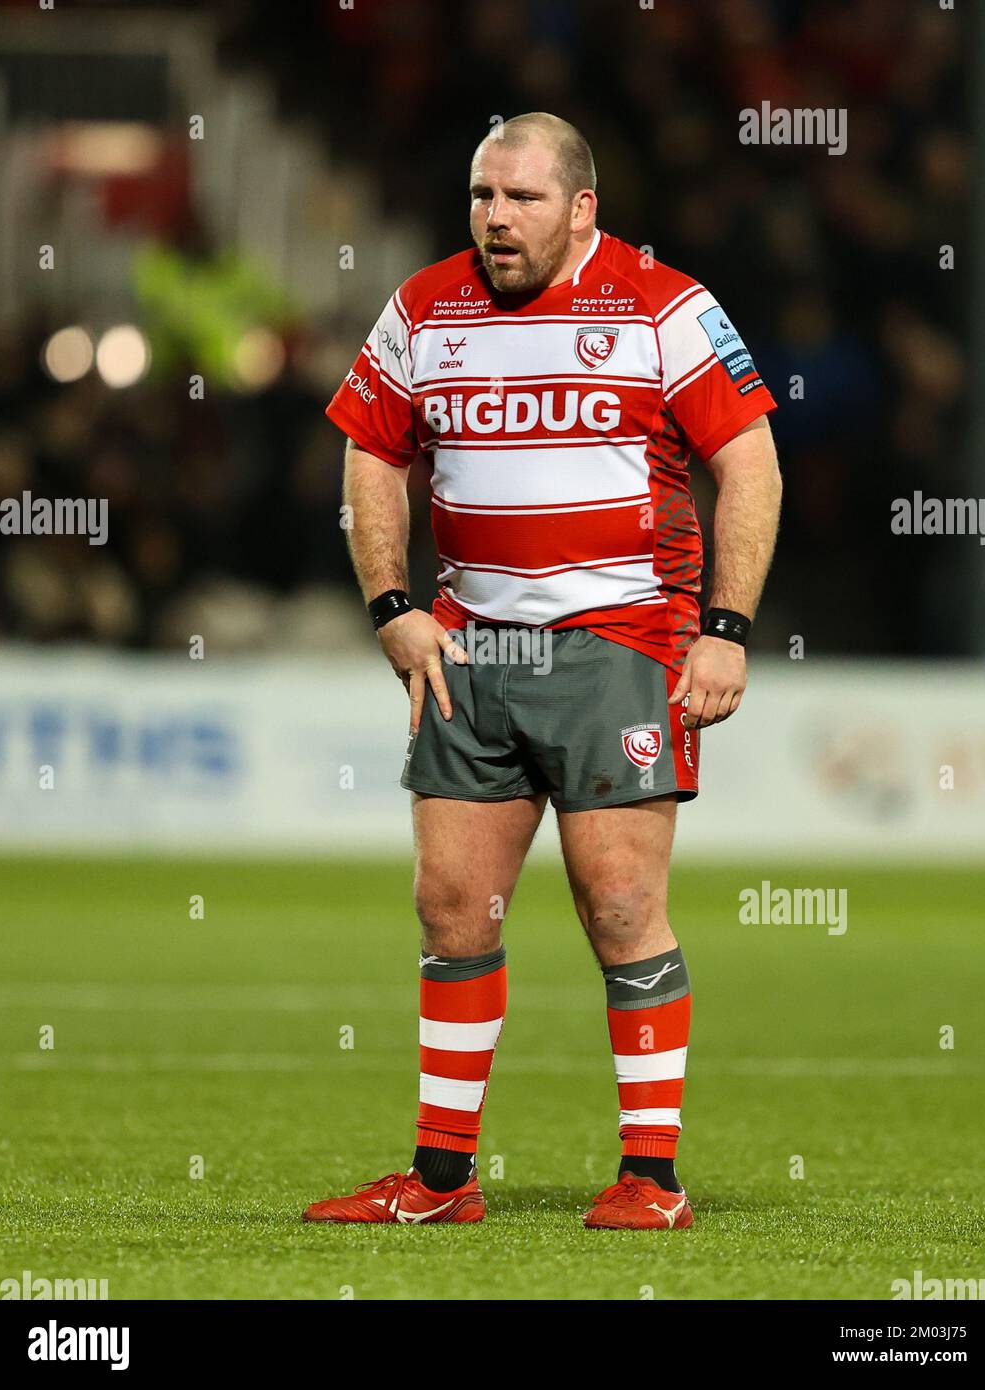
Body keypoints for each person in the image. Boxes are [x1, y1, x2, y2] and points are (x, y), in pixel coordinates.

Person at [304, 112, 781, 1229]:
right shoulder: (425, 307)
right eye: (480, 195)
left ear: (582, 209)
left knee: (619, 903)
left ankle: (652, 1180)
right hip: (474, 649)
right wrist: (391, 608)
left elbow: (747, 462)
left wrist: (729, 625)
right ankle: (438, 1181)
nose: (493, 219)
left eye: (519, 199)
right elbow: (371, 448)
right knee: (451, 907)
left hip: (623, 642)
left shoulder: (664, 306)